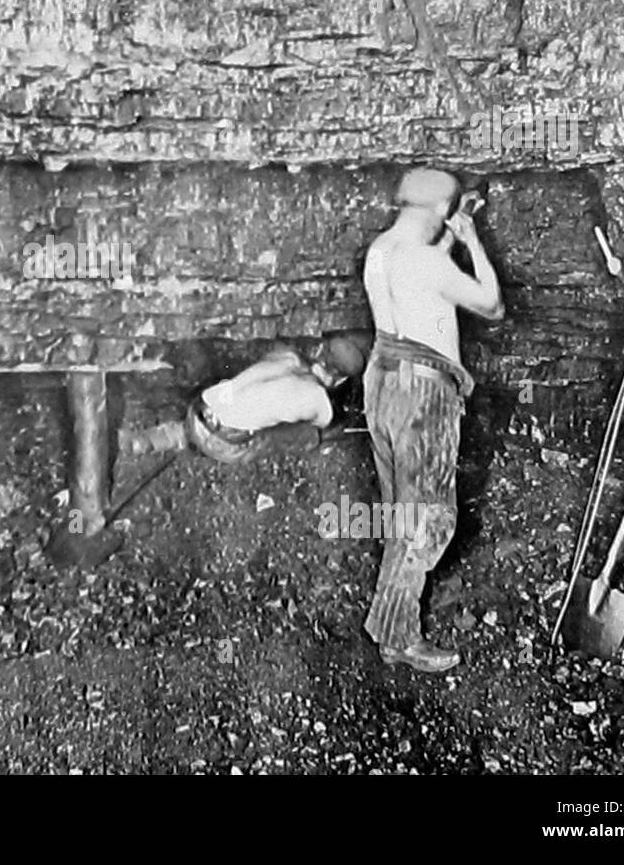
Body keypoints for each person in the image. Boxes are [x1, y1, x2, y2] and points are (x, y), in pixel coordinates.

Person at [361, 168, 503, 673]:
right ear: (441, 210)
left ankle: (388, 622)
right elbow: (492, 304)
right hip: (423, 395)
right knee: (429, 522)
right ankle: (398, 636)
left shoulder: (383, 251)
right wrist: (472, 239)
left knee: (401, 512)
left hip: (382, 381)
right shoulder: (427, 261)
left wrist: (451, 225)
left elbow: (426, 269)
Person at [120, 335, 370, 465]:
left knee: (242, 402)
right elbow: (323, 420)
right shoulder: (315, 397)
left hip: (199, 409)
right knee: (310, 434)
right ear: (337, 379)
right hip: (226, 445)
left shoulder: (289, 357)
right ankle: (179, 439)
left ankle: (160, 437)